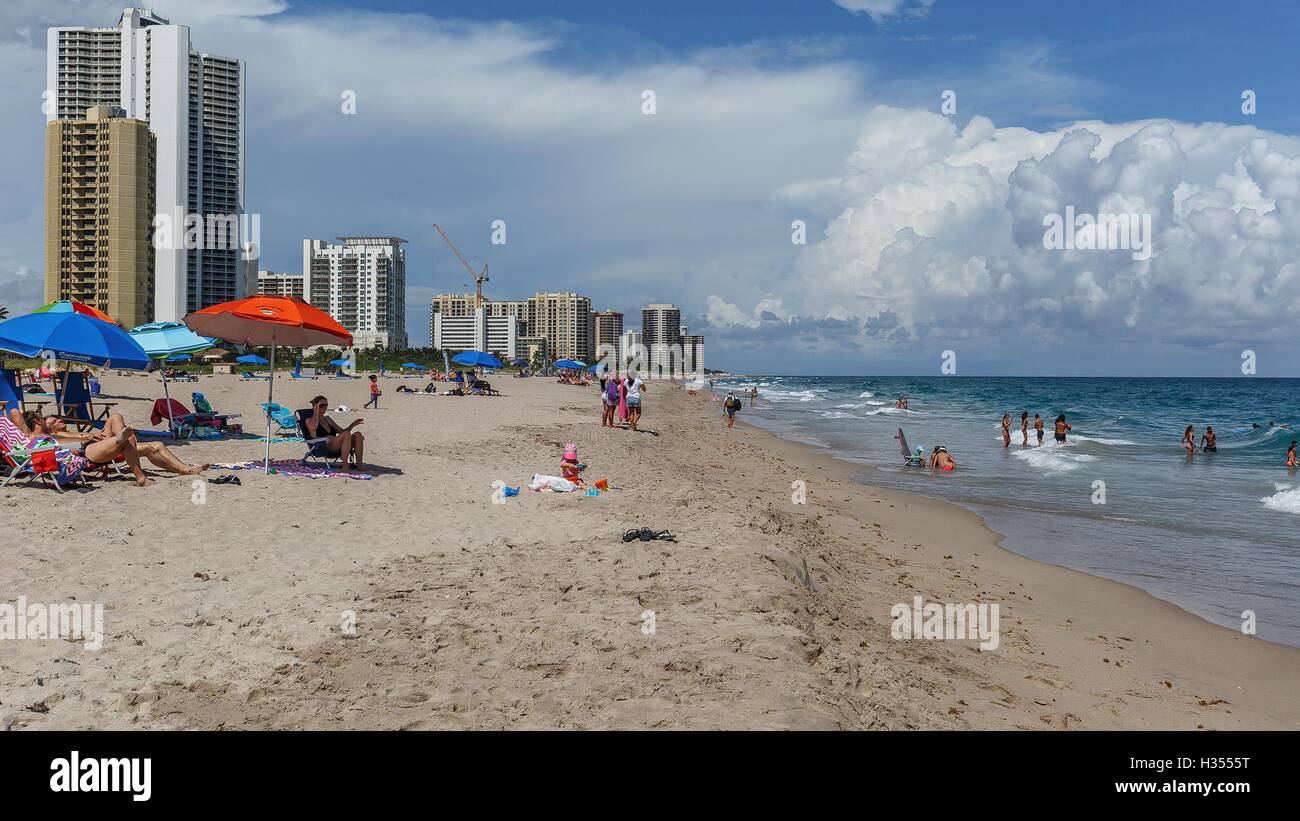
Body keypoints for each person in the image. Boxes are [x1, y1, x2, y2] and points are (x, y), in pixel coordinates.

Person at [18, 410, 207, 487]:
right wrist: (87, 436)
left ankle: (185, 468)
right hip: (88, 451)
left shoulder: (63, 432)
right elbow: (14, 413)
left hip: (96, 443)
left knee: (154, 444)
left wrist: (91, 435)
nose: (56, 420)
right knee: (126, 438)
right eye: (49, 420)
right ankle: (140, 476)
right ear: (37, 422)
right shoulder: (45, 436)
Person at [305, 395, 365, 470]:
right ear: (314, 406)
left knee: (358, 435)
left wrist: (352, 425)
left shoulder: (327, 419)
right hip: (323, 446)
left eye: (326, 405)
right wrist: (316, 411)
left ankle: (359, 465)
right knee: (346, 435)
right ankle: (345, 466)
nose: (324, 407)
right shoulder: (309, 420)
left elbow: (342, 432)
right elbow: (313, 428)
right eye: (321, 405)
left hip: (338, 444)